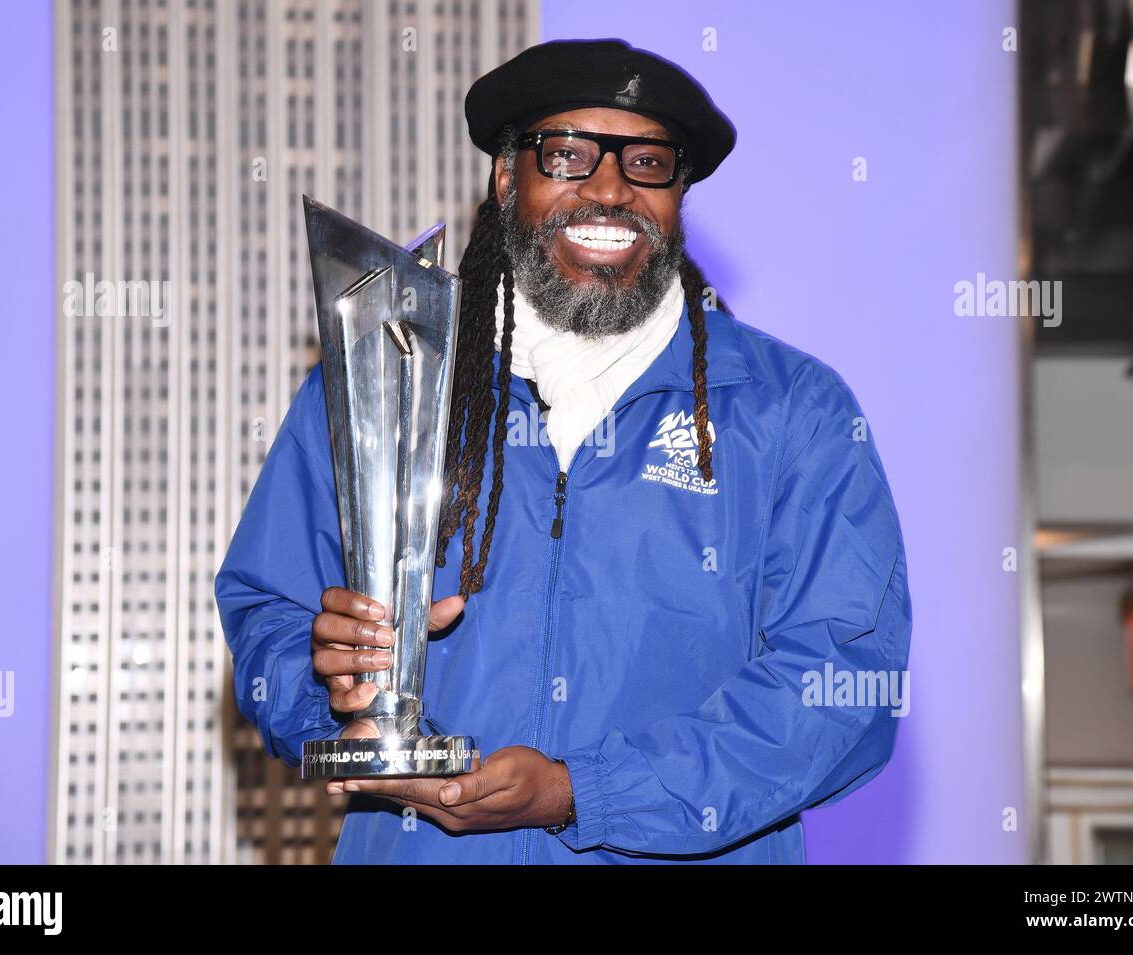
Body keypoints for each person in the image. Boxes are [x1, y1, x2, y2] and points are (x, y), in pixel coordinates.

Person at [216, 38, 912, 865]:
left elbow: (843, 686)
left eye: (647, 162)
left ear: (678, 194)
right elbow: (272, 610)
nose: (610, 188)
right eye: (569, 153)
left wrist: (587, 790)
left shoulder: (790, 410)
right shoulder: (386, 376)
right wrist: (330, 692)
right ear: (509, 178)